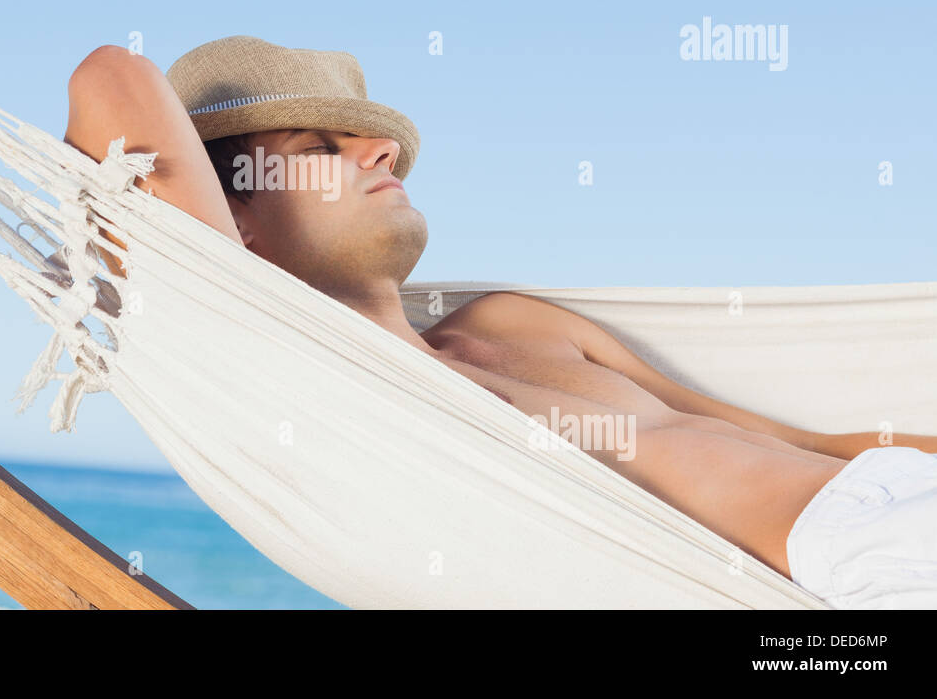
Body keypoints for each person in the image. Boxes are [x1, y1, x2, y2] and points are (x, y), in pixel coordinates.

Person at [64, 34, 937, 608]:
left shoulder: (519, 324)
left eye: (370, 139)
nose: (385, 151)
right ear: (233, 214)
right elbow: (113, 80)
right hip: (858, 576)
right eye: (317, 149)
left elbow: (810, 445)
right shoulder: (314, 375)